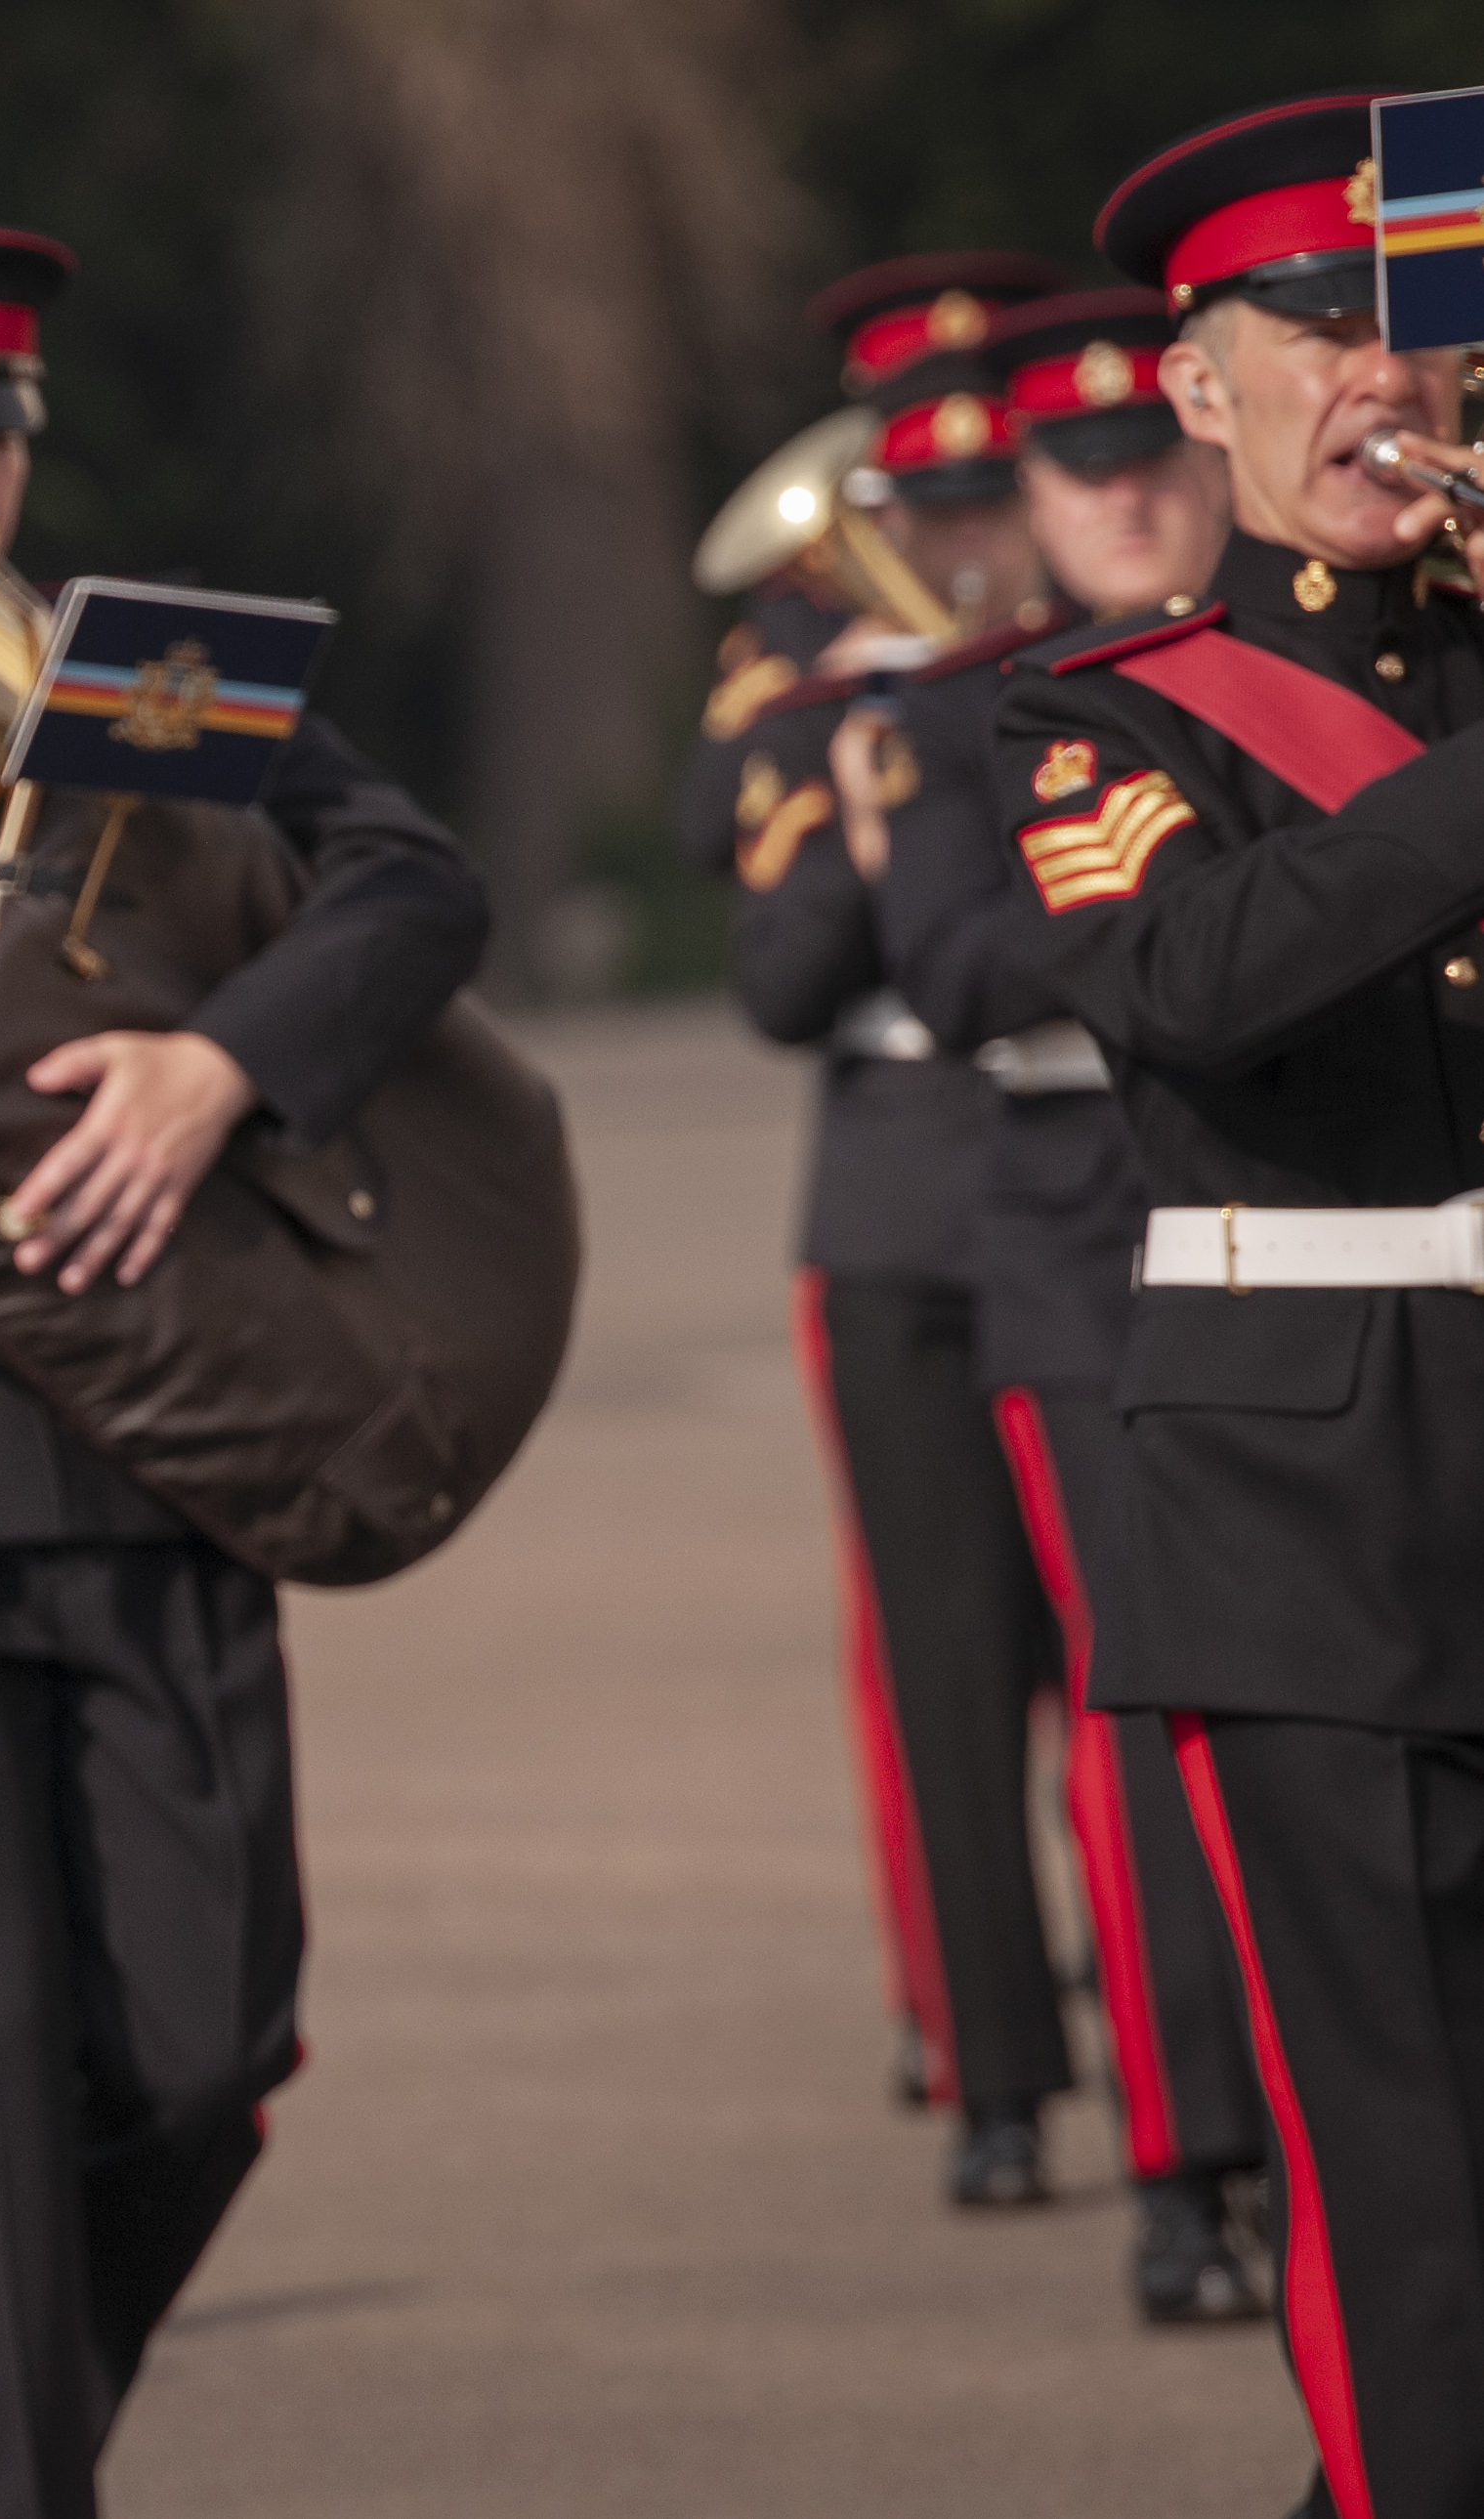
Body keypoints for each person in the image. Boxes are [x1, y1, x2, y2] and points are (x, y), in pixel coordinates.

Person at [0, 227, 488, 2519]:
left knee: (208, 2051)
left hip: (168, 1433)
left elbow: (411, 880)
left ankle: (9, 2429)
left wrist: (222, 1062)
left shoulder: (134, 667)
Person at [996, 93, 1484, 2519]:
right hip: (1313, 1498)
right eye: (1325, 330)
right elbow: (1191, 981)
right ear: (1201, 388)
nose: (1391, 374)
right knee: (1407, 2185)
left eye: (1429, 322)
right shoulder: (1113, 711)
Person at [844, 286, 1272, 2322]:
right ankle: (1190, 2155)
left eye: (1149, 461)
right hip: (1080, 1241)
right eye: (1077, 472)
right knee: (1145, 1710)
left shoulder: (1292, 665)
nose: (1121, 500)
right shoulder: (953, 716)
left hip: (1308, 1214)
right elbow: (949, 970)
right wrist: (1218, 920)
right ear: (1026, 491)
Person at [683, 260, 1081, 2202]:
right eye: (930, 507)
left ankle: (1196, 2095)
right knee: (944, 1660)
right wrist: (867, 809)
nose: (963, 539)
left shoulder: (1097, 667)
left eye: (991, 496)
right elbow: (773, 975)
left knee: (1124, 1667)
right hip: (900, 1200)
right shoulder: (819, 693)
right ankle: (994, 2068)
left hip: (1081, 1175)